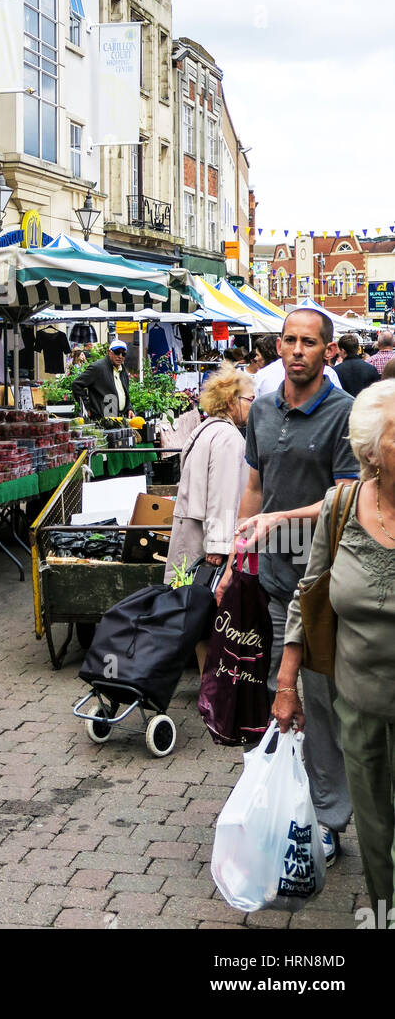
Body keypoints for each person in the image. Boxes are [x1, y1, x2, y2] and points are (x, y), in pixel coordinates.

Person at [221, 307, 358, 864]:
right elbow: (255, 484)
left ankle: (330, 820)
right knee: (281, 697)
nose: (297, 350)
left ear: (328, 351)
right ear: (278, 347)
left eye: (309, 342)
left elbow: (346, 498)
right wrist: (236, 552)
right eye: (289, 340)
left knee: (323, 706)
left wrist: (281, 519)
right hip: (275, 581)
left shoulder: (345, 414)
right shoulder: (264, 411)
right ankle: (284, 804)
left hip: (325, 586)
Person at [274, 380, 395, 914]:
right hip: (360, 706)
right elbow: (309, 594)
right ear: (373, 452)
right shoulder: (341, 505)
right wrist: (286, 683)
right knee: (375, 837)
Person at [163, 365, 255, 670]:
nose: (253, 406)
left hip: (193, 535)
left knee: (198, 615)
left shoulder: (207, 429)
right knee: (212, 613)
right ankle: (214, 683)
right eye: (249, 400)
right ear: (231, 401)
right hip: (206, 543)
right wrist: (218, 547)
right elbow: (223, 495)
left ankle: (208, 680)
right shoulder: (228, 438)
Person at [71, 337, 134, 419]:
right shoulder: (98, 367)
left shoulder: (123, 370)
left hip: (119, 418)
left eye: (123, 354)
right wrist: (87, 406)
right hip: (102, 420)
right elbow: (76, 385)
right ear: (109, 353)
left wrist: (129, 408)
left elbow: (124, 392)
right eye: (117, 352)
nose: (120, 356)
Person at [335, 333, 379, 398]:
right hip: (366, 405)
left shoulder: (336, 371)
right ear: (357, 349)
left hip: (345, 406)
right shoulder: (371, 369)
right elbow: (376, 393)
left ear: (343, 351)